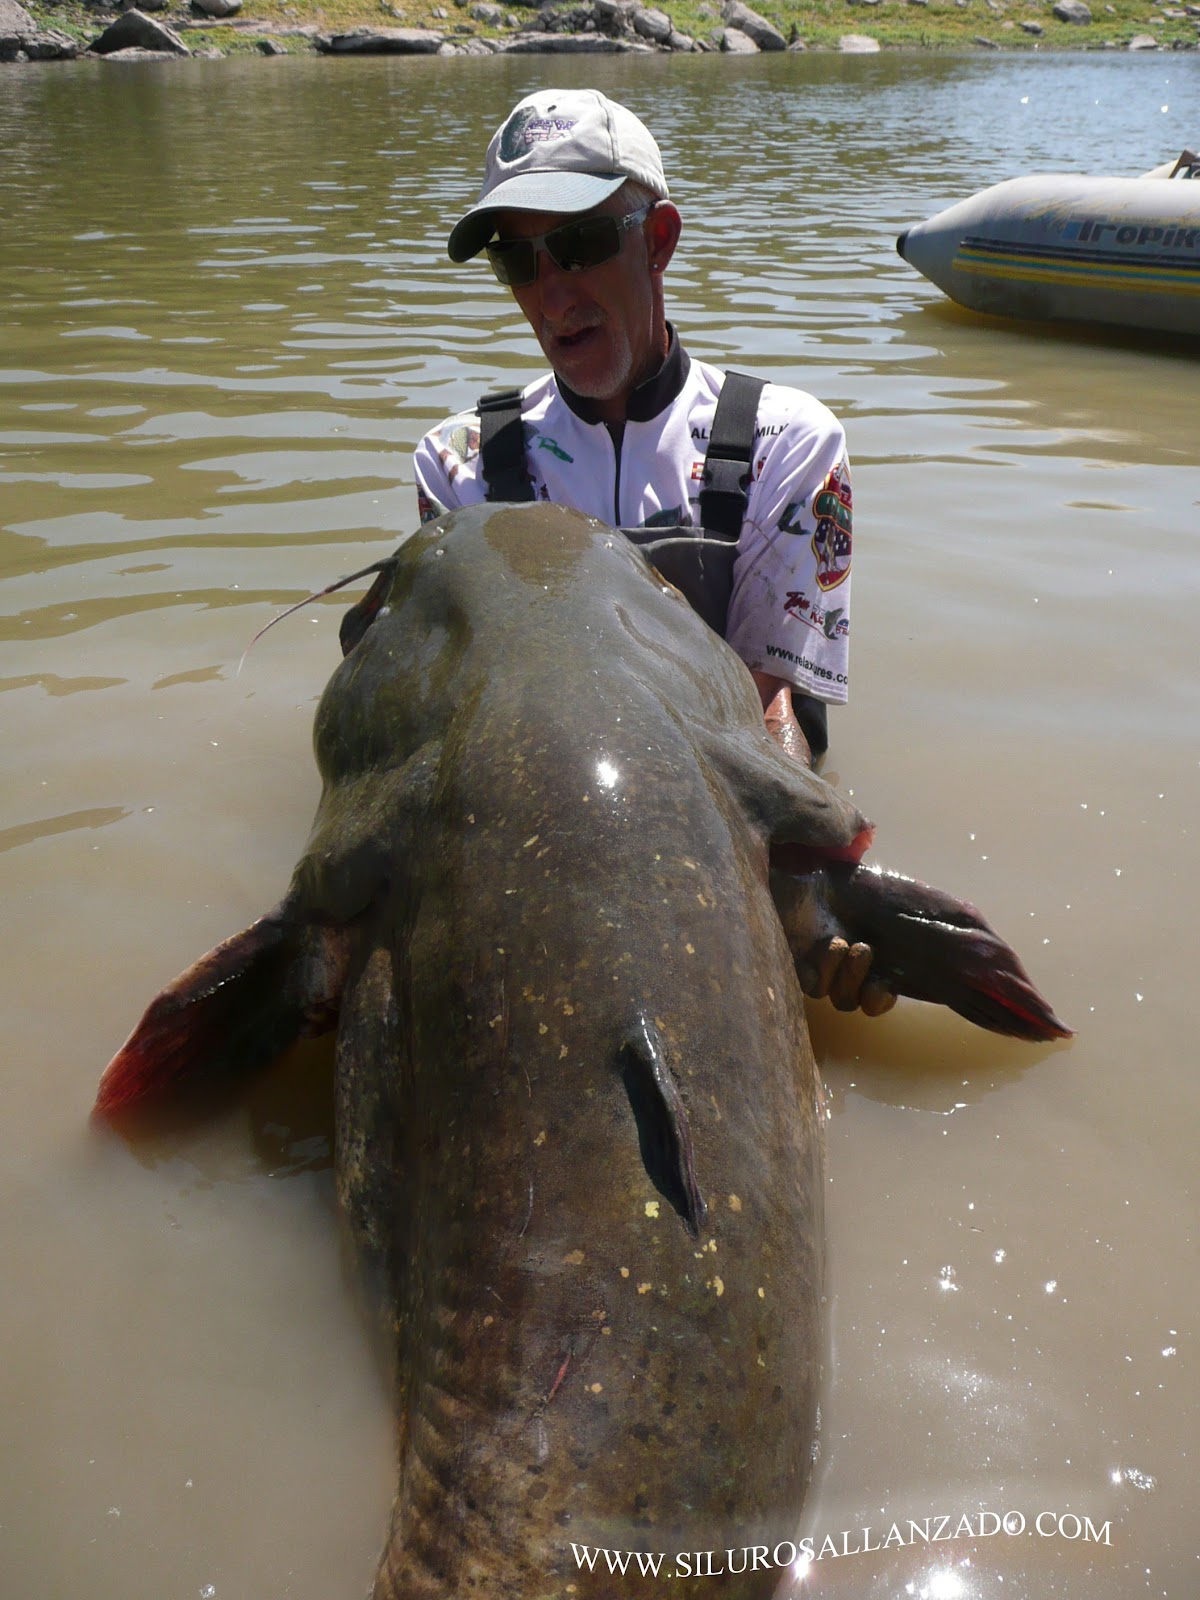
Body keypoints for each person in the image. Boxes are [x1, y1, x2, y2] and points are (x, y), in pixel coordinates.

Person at [413, 88, 891, 1017]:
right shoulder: (459, 465)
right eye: (518, 259)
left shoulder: (789, 442)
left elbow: (769, 700)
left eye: (580, 244)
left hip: (725, 816)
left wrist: (799, 883)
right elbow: (452, 740)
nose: (551, 292)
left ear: (659, 240)